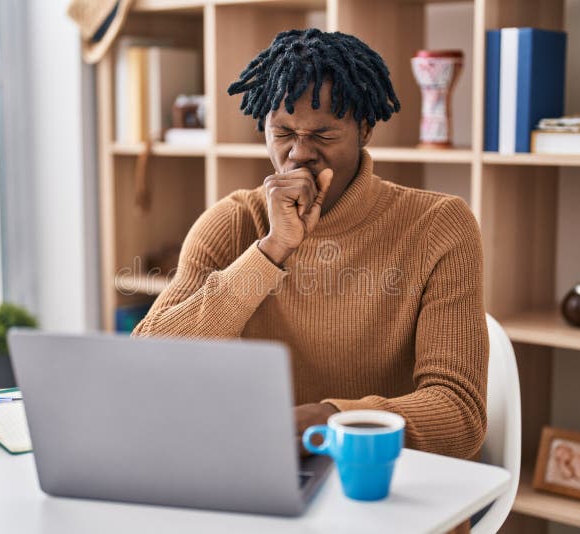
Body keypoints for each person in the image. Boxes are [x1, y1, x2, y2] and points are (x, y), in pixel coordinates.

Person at [133, 28, 488, 462]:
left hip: (387, 480)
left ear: (365, 130)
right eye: (282, 132)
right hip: (262, 472)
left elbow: (460, 415)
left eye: (322, 135)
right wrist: (271, 251)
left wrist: (335, 420)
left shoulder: (439, 226)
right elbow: (146, 365)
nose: (299, 154)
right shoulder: (235, 222)